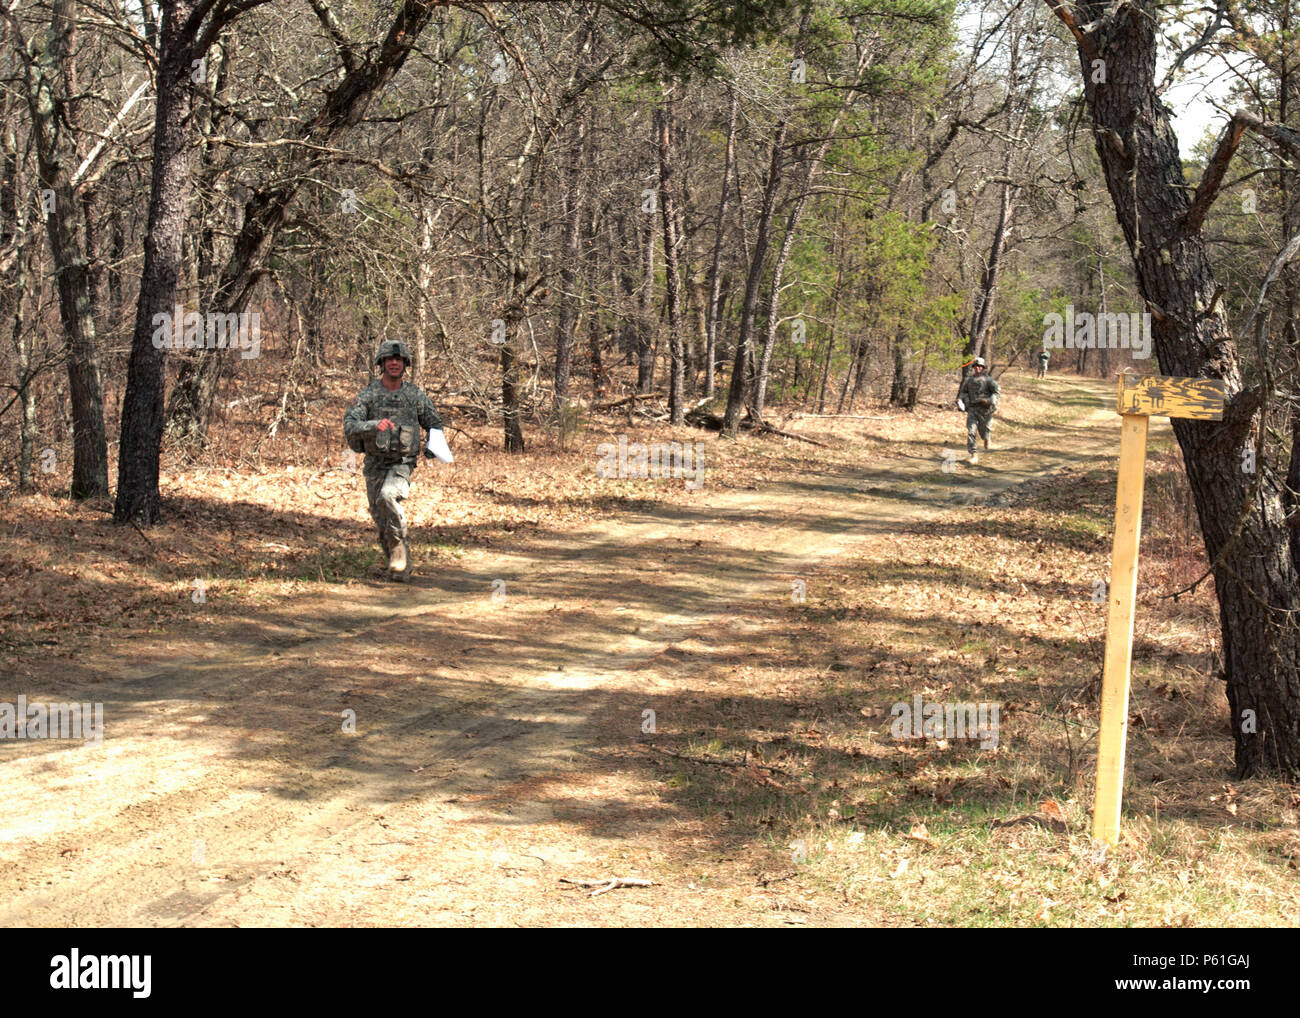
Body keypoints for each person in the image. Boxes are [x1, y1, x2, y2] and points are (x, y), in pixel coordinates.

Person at [343, 340, 452, 580]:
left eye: (399, 360)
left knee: (388, 496)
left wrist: (433, 447)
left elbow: (434, 422)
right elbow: (350, 424)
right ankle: (399, 562)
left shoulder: (414, 395)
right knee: (381, 519)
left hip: (402, 463)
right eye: (390, 360)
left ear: (405, 365)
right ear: (382, 364)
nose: (394, 363)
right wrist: (373, 425)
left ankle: (399, 552)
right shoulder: (368, 395)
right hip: (374, 464)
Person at [956, 356, 1000, 465]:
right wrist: (962, 401)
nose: (978, 368)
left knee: (985, 431)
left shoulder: (988, 380)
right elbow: (963, 392)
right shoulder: (969, 380)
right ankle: (973, 455)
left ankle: (987, 438)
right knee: (971, 431)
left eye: (980, 366)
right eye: (976, 366)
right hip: (972, 409)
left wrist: (989, 401)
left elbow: (996, 392)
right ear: (973, 367)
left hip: (985, 410)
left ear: (983, 368)